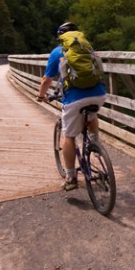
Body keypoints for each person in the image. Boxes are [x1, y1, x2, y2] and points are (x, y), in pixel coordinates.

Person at [36, 21, 107, 191]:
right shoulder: (88, 48)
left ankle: (70, 177)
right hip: (99, 94)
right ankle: (95, 144)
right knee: (91, 113)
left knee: (69, 136)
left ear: (61, 37)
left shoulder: (57, 52)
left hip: (75, 98)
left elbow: (47, 79)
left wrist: (41, 95)